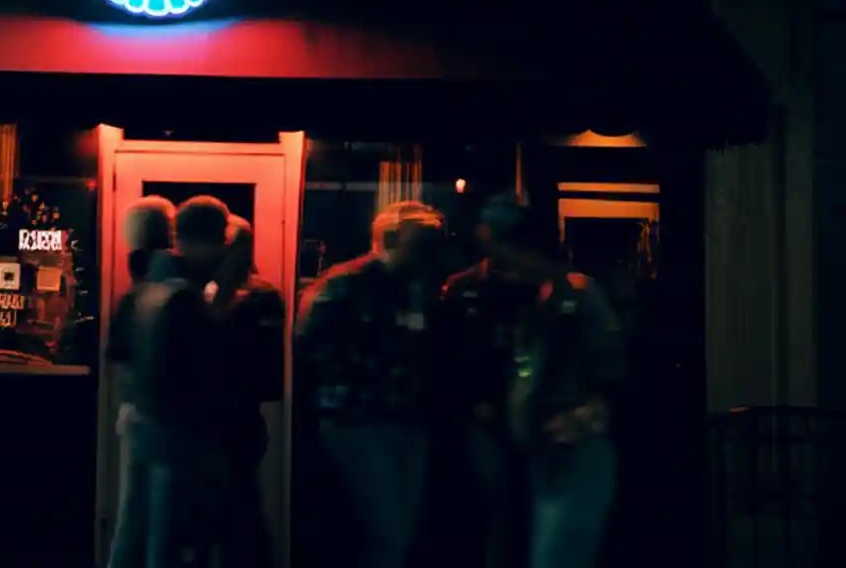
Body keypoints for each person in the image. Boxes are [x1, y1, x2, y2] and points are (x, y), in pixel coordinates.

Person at [443, 194, 625, 568]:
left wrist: (589, 409)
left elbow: (610, 366)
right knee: (508, 536)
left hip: (561, 437)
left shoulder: (570, 294)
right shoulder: (477, 290)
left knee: (556, 544)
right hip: (509, 434)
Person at [295, 201, 449, 568]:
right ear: (392, 237)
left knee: (397, 531)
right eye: (422, 241)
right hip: (358, 421)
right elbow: (310, 349)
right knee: (388, 531)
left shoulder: (418, 287)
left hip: (402, 420)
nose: (431, 250)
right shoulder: (344, 285)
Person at [131, 196, 236, 568]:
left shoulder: (153, 288)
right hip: (180, 440)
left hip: (155, 435)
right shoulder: (184, 299)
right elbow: (199, 374)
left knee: (147, 538)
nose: (225, 247)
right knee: (172, 543)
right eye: (220, 238)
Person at [107, 196, 177, 568]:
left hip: (136, 409)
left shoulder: (133, 284)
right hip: (164, 415)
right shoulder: (169, 277)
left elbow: (117, 353)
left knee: (133, 513)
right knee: (162, 518)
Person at [215, 215, 285, 568]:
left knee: (234, 509)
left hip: (231, 419)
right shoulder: (264, 296)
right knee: (243, 507)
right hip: (243, 418)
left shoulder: (248, 298)